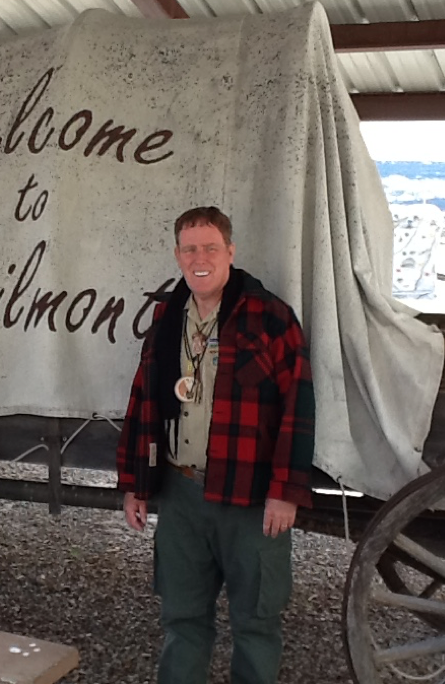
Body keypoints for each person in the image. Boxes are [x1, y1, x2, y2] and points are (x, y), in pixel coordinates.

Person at [117, 206, 315, 684]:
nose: (198, 258)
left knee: (256, 621)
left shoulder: (270, 317)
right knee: (182, 620)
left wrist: (284, 491)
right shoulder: (167, 315)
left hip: (249, 496)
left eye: (210, 247)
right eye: (189, 249)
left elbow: (298, 408)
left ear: (230, 251)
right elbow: (143, 399)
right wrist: (135, 484)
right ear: (177, 254)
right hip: (182, 493)